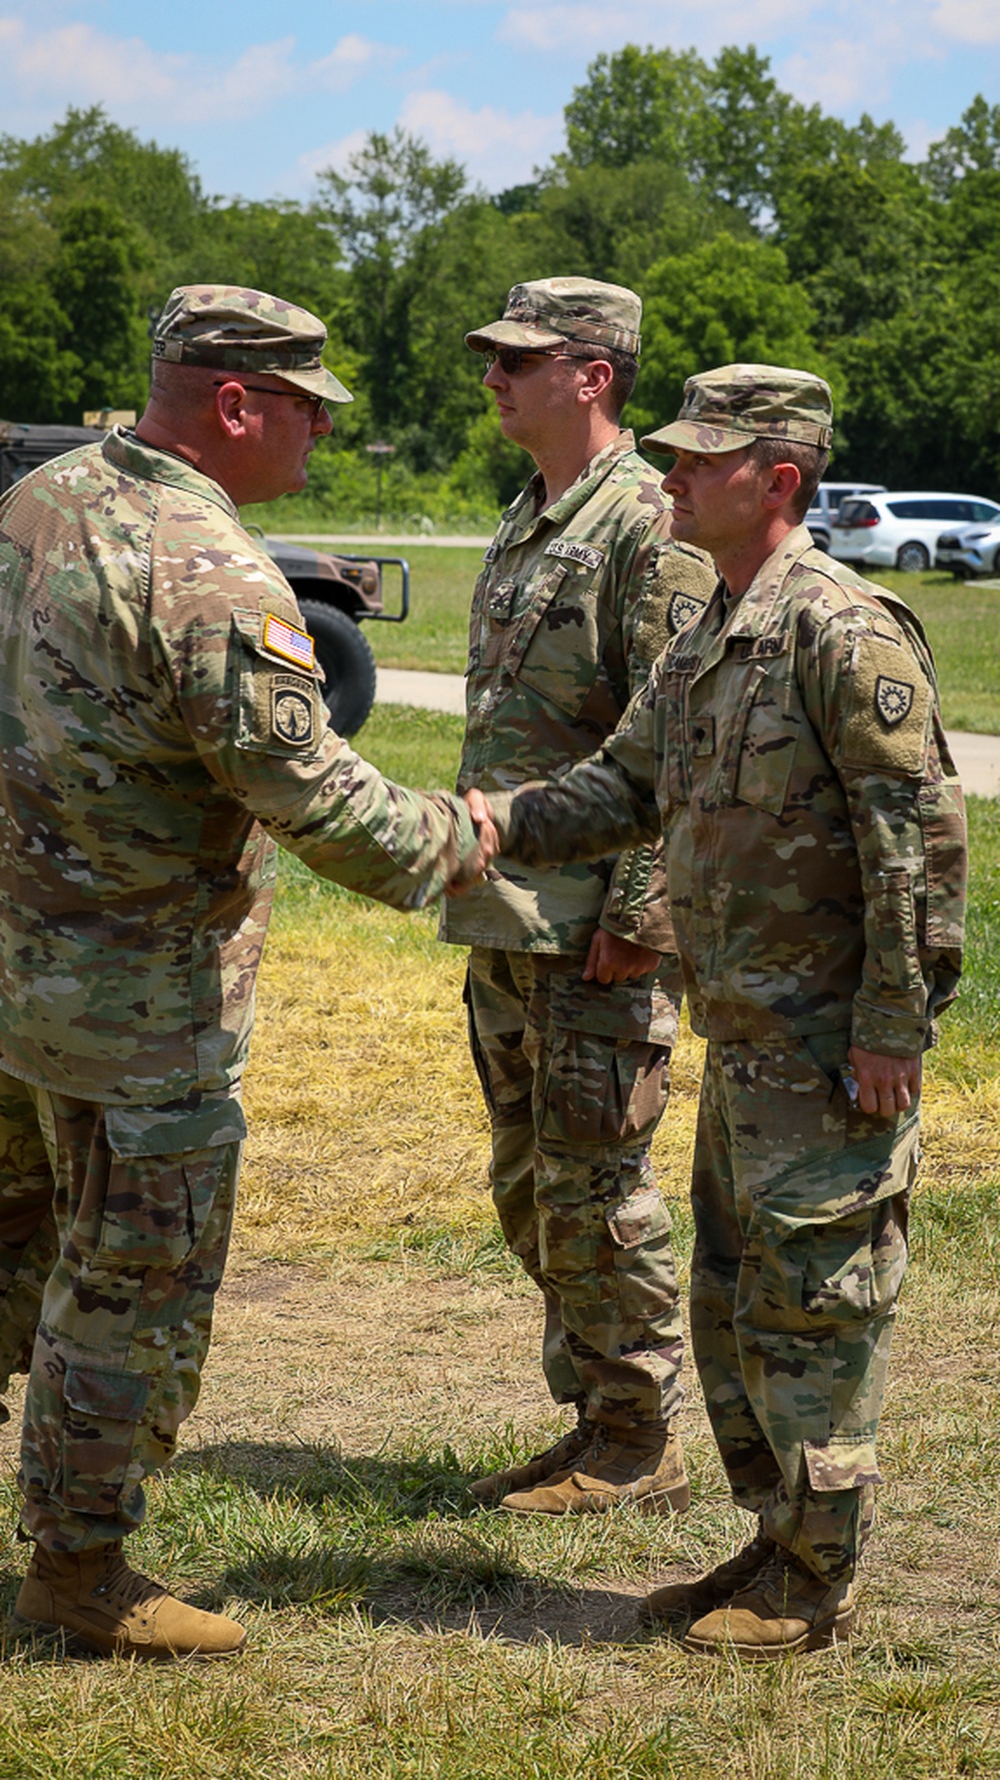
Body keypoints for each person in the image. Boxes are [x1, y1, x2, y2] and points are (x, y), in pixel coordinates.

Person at [0, 284, 495, 1660]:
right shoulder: (210, 570)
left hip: (17, 981)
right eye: (309, 409)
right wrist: (467, 839)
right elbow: (314, 795)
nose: (322, 435)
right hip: (140, 1013)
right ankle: (79, 1573)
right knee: (129, 1283)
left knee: (18, 1259)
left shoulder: (44, 500)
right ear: (234, 404)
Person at [469, 363, 966, 1653]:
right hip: (742, 1036)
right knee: (737, 1301)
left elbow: (913, 846)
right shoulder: (710, 633)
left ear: (777, 482)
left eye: (700, 460)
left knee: (818, 1309)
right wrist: (488, 822)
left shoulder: (842, 631)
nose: (673, 474)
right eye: (675, 454)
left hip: (823, 1048)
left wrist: (891, 1030)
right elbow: (619, 782)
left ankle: (817, 1578)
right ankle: (771, 1543)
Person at [440, 278, 715, 1515]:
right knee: (529, 1181)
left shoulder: (648, 526)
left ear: (592, 372)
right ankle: (589, 1409)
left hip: (594, 927)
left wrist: (640, 909)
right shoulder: (528, 516)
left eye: (518, 358)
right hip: (508, 914)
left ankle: (636, 1434)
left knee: (596, 1187)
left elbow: (681, 732)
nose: (493, 375)